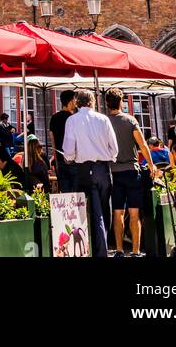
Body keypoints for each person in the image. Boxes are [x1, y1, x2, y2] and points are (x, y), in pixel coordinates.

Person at [61, 91, 118, 259]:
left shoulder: (72, 120)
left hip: (85, 169)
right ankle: (100, 248)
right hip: (104, 169)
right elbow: (114, 149)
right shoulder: (104, 119)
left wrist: (71, 157)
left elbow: (69, 151)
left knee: (93, 213)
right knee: (103, 210)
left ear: (77, 103)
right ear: (92, 102)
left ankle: (98, 252)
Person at [105, 89, 156, 258]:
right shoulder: (130, 120)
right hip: (131, 171)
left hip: (113, 172)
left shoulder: (104, 122)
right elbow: (143, 145)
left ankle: (119, 250)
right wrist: (151, 165)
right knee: (134, 212)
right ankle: (135, 251)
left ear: (107, 103)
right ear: (121, 102)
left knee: (117, 212)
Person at [49, 90, 77, 192]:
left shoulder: (54, 117)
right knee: (77, 193)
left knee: (65, 193)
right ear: (70, 101)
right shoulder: (73, 118)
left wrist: (56, 160)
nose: (76, 102)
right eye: (74, 99)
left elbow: (52, 139)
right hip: (74, 160)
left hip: (60, 159)